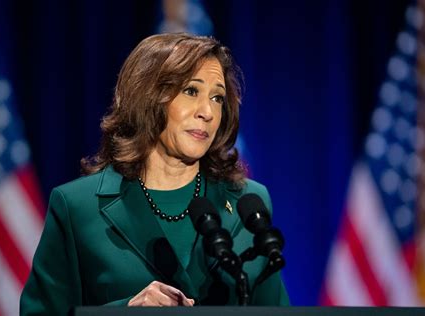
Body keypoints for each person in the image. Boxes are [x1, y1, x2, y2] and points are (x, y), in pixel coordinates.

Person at [20, 33, 290, 315]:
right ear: (147, 96)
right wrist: (126, 311)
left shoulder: (249, 202)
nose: (207, 111)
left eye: (217, 97)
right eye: (191, 91)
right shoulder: (77, 207)